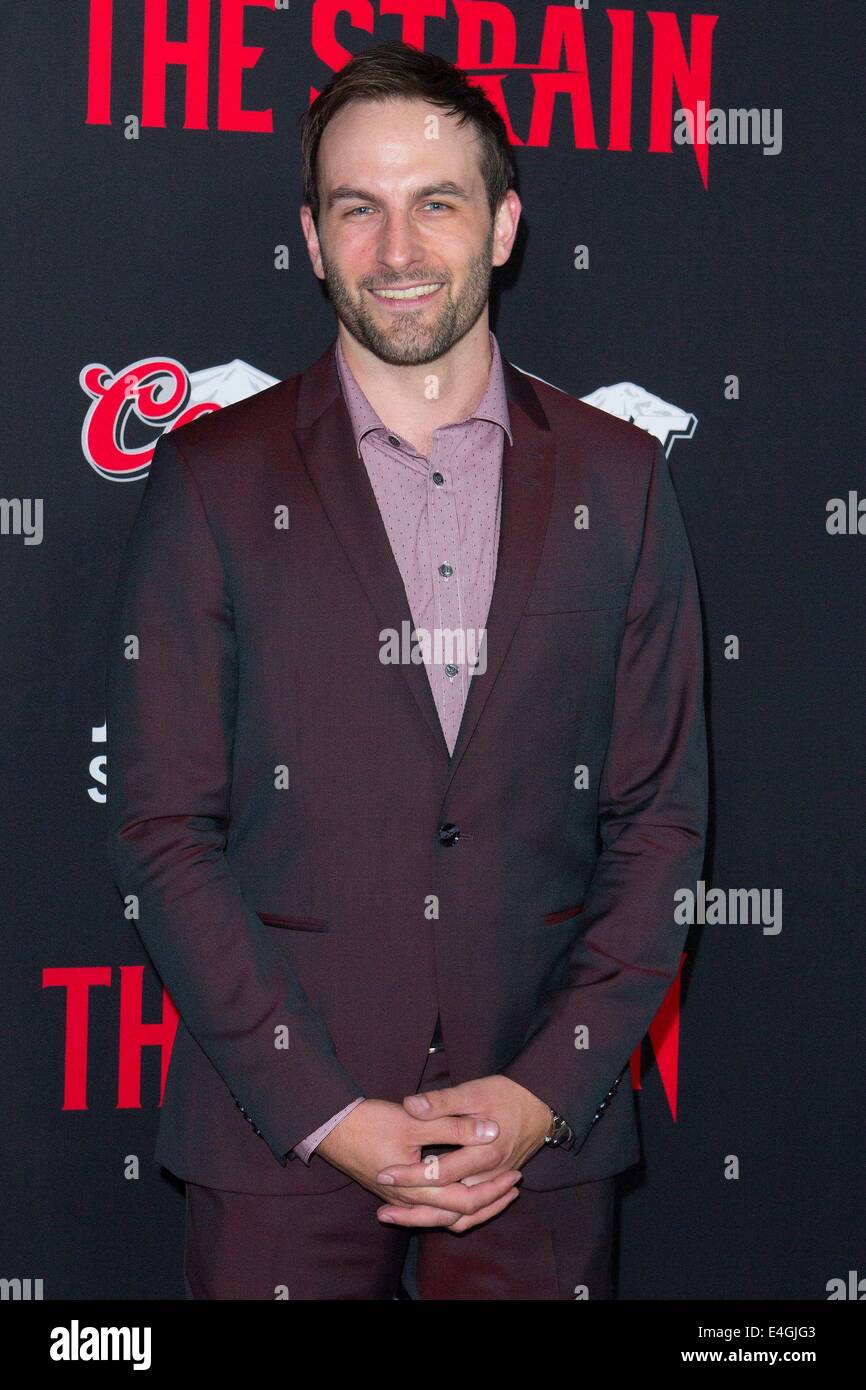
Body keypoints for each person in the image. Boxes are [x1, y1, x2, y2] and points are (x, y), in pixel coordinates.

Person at [106, 39, 708, 1301]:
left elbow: (656, 821)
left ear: (500, 226)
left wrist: (540, 1094)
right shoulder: (213, 480)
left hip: (536, 1154)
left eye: (434, 201)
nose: (395, 248)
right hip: (279, 1148)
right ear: (313, 241)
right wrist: (327, 1108)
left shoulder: (616, 479)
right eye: (356, 208)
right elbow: (164, 825)